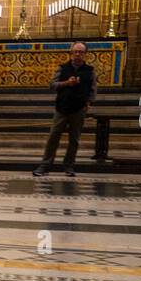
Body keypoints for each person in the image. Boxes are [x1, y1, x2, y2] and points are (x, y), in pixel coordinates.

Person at [32, 41, 97, 178]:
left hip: (79, 109)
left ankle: (69, 166)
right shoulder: (62, 68)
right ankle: (45, 165)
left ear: (85, 54)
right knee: (53, 137)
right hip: (62, 108)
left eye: (81, 52)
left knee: (74, 140)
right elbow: (52, 85)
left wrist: (89, 103)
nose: (78, 54)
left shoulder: (90, 71)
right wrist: (67, 83)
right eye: (75, 52)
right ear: (71, 53)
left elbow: (93, 89)